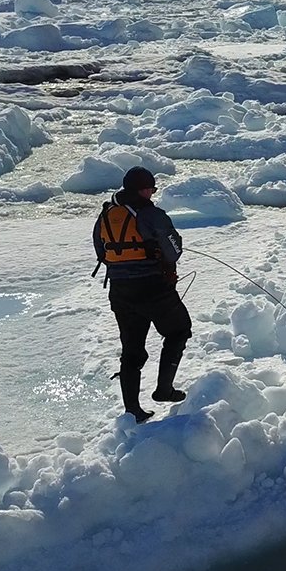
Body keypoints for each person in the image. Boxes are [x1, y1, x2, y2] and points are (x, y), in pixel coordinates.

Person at [92, 166, 191, 423]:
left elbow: (101, 251)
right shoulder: (151, 214)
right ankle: (164, 390)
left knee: (132, 351)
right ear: (143, 189)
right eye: (151, 188)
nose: (152, 192)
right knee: (178, 330)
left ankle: (133, 411)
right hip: (153, 287)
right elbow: (174, 248)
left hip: (120, 291)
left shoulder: (106, 214)